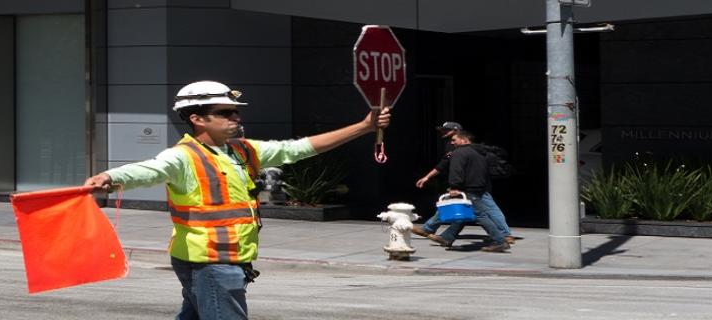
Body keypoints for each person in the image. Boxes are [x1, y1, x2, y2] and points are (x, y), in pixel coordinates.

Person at [82, 81, 391, 320]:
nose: (235, 117)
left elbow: (299, 148)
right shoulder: (182, 156)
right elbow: (149, 170)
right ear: (197, 119)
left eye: (235, 111)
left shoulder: (243, 151)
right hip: (209, 261)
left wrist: (363, 127)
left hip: (230, 259)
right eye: (225, 113)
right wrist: (109, 178)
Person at [409, 123, 513, 252]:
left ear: (458, 133)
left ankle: (500, 239)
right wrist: (428, 177)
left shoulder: (457, 151)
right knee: (464, 213)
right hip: (480, 186)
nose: (444, 133)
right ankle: (446, 236)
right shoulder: (479, 151)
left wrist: (454, 187)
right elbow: (445, 161)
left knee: (481, 214)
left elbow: (453, 168)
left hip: (469, 188)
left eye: (447, 131)